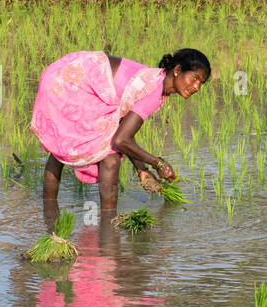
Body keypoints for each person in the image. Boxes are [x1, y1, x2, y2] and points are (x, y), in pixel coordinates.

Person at [32, 49, 211, 212]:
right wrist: (159, 164)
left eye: (201, 83)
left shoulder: (155, 80)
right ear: (178, 70)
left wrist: (142, 170)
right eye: (194, 78)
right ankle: (108, 224)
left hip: (65, 73)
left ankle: (50, 218)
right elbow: (121, 140)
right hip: (70, 82)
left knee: (66, 146)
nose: (196, 87)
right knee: (111, 157)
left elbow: (121, 128)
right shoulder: (154, 91)